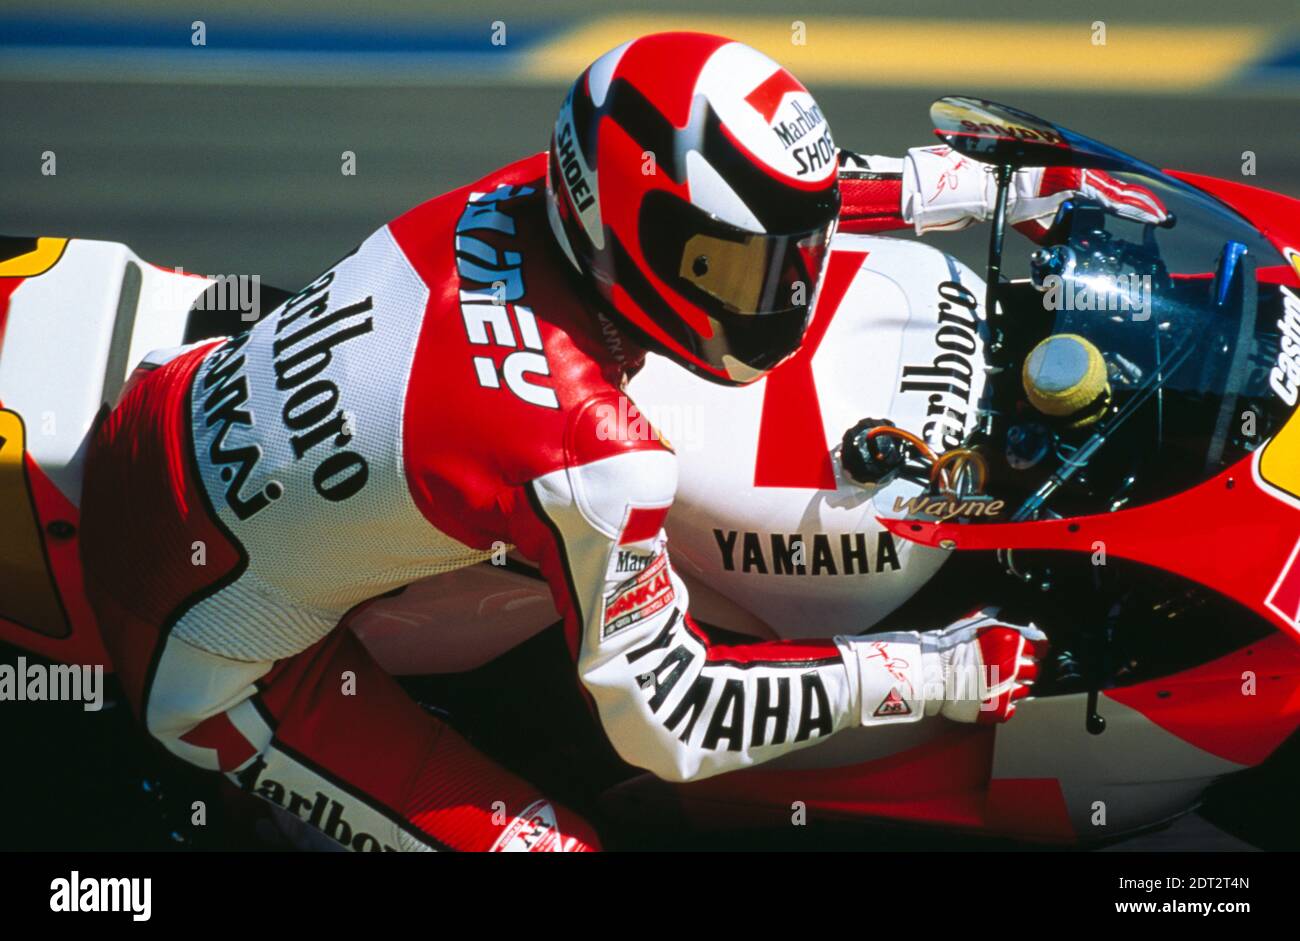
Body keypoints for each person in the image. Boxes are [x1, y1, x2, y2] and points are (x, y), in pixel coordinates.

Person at [78, 31, 1165, 852]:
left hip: (188, 402)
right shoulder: (585, 449)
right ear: (625, 225)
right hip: (210, 640)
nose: (784, 297)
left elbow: (806, 194)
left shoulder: (524, 197)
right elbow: (675, 721)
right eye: (742, 272)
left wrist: (994, 185)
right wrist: (929, 670)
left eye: (793, 258)